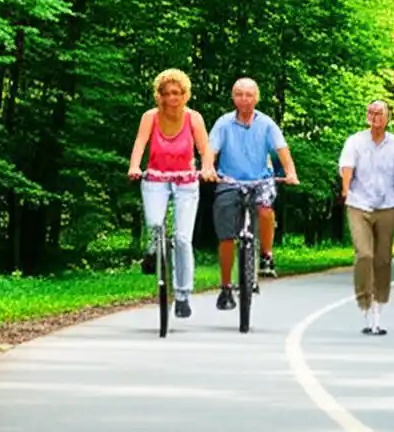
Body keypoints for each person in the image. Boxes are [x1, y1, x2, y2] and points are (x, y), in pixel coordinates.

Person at [205, 78, 299, 310]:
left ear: (256, 98)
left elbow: (282, 151)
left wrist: (290, 173)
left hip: (261, 180)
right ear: (233, 97)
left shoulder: (266, 124)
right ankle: (226, 287)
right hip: (229, 180)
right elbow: (210, 150)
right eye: (239, 94)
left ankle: (266, 255)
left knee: (265, 209)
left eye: (249, 95)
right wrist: (208, 168)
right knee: (226, 237)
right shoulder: (223, 123)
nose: (244, 99)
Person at [127, 69, 214, 319]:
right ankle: (153, 253)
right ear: (159, 96)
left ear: (185, 95)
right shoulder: (150, 117)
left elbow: (205, 149)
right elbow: (140, 145)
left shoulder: (193, 118)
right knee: (155, 225)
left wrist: (207, 169)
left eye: (177, 93)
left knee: (183, 238)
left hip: (186, 180)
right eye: (166, 93)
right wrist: (135, 167)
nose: (172, 98)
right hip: (156, 177)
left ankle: (183, 295)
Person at [339, 100, 394, 335]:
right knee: (364, 254)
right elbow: (347, 167)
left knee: (382, 259)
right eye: (371, 112)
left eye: (379, 113)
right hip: (358, 204)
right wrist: (345, 188)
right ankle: (364, 302)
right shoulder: (355, 141)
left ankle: (379, 307)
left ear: (387, 117)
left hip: (387, 205)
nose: (374, 116)